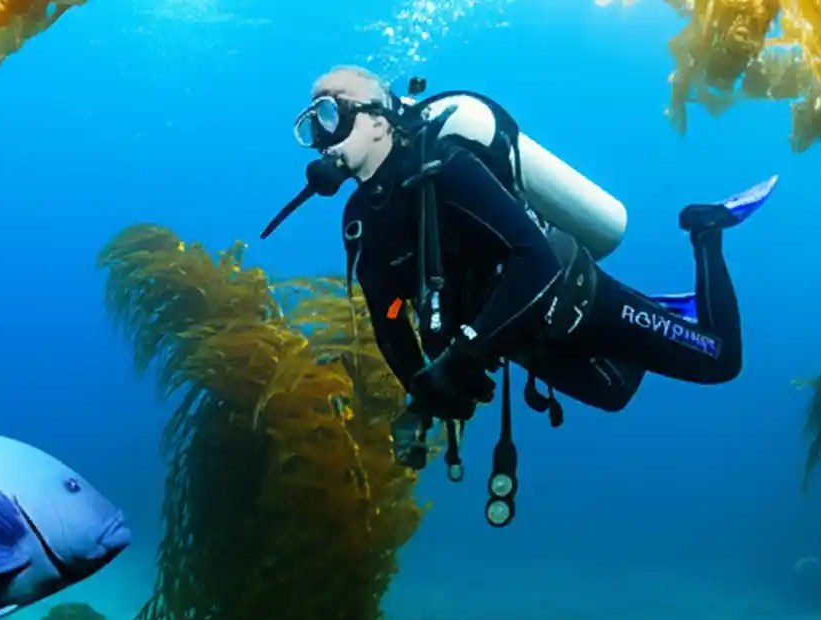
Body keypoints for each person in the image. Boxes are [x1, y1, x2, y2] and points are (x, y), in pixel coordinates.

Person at [260, 66, 776, 525]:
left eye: (333, 111)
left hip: (573, 301)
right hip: (525, 340)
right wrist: (422, 390)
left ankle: (706, 233)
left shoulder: (447, 168)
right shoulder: (360, 222)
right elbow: (389, 319)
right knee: (616, 393)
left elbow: (535, 259)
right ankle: (656, 314)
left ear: (378, 119)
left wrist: (463, 354)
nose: (323, 136)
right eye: (312, 122)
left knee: (720, 362)